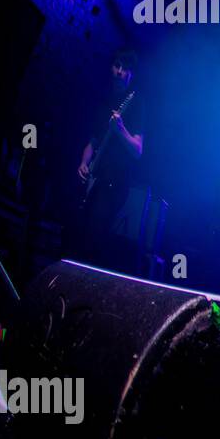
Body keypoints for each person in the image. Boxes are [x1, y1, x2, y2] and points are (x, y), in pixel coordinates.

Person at [74, 49, 148, 272]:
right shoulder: (103, 103)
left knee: (95, 237)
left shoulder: (136, 104)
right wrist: (83, 163)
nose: (119, 71)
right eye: (117, 65)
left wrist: (121, 129)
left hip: (115, 182)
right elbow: (92, 142)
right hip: (95, 179)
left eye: (125, 68)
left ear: (131, 74)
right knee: (78, 233)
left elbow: (138, 150)